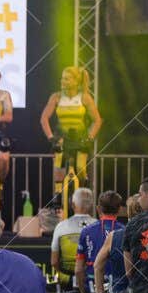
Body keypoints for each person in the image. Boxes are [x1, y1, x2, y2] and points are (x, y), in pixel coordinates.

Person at [38, 66, 102, 197]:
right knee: (59, 165)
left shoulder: (84, 97)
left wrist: (90, 138)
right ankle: (57, 196)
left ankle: (82, 192)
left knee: (80, 168)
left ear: (76, 81)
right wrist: (51, 138)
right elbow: (44, 118)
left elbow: (97, 120)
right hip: (62, 137)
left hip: (80, 137)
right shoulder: (56, 97)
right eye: (62, 78)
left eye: (66, 79)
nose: (62, 81)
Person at [49, 188, 96, 293]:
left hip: (66, 280)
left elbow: (54, 261)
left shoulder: (61, 227)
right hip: (90, 281)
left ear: (73, 204)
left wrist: (65, 274)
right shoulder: (96, 226)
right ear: (91, 206)